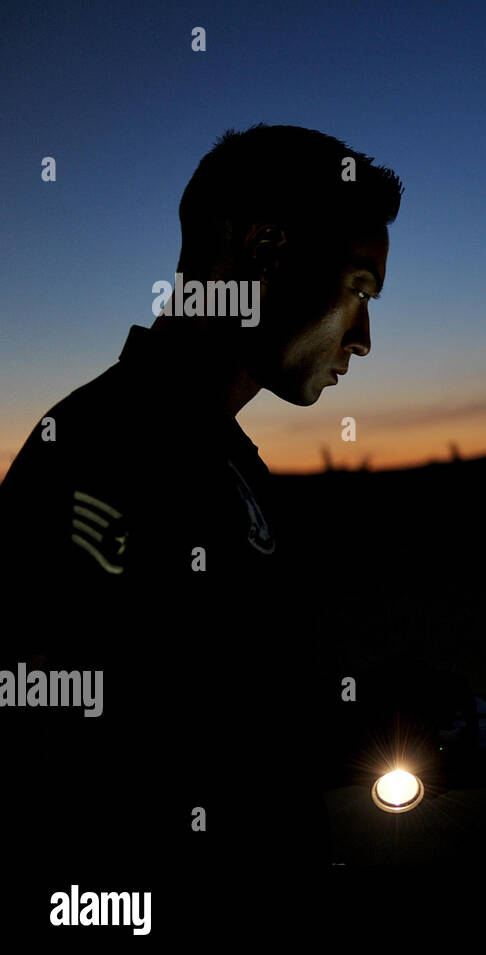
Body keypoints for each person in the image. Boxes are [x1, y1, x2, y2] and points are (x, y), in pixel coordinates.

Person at [0, 124, 403, 872]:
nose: (364, 336)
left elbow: (213, 693)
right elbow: (75, 754)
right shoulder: (104, 449)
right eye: (357, 288)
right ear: (261, 251)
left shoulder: (212, 454)